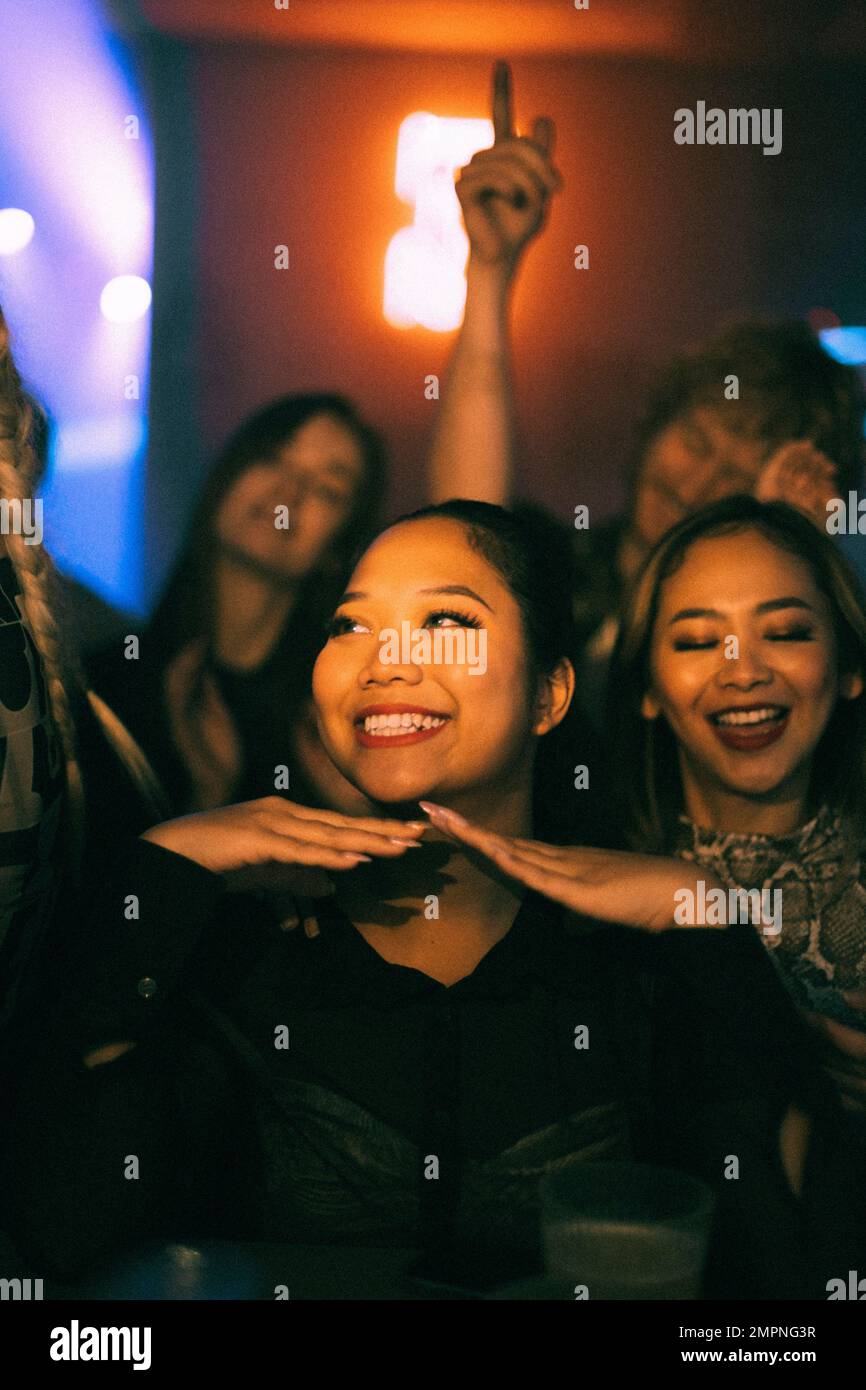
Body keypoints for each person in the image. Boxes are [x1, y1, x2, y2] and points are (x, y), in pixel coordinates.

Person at [6, 501, 863, 1297]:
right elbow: (62, 1244)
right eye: (351, 624)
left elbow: (783, 1294)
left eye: (447, 623)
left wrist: (701, 911)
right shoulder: (243, 950)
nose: (389, 658)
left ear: (549, 693)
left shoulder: (636, 974)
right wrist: (164, 865)